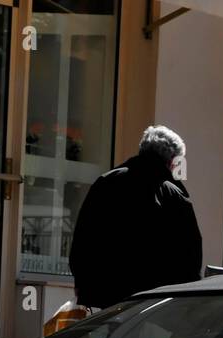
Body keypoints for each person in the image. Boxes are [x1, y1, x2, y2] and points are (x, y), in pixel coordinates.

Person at [69, 125, 203, 308]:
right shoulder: (173, 195)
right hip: (152, 299)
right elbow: (189, 252)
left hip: (103, 292)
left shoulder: (106, 182)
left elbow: (84, 236)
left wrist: (82, 282)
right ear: (172, 161)